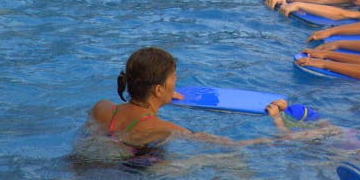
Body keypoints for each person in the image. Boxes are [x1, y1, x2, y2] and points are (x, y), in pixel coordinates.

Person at [88, 47, 267, 150]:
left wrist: (160, 97)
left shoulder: (101, 108)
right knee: (229, 159)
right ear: (158, 89)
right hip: (127, 174)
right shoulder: (165, 129)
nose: (176, 81)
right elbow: (234, 144)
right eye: (173, 78)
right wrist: (284, 135)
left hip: (85, 167)